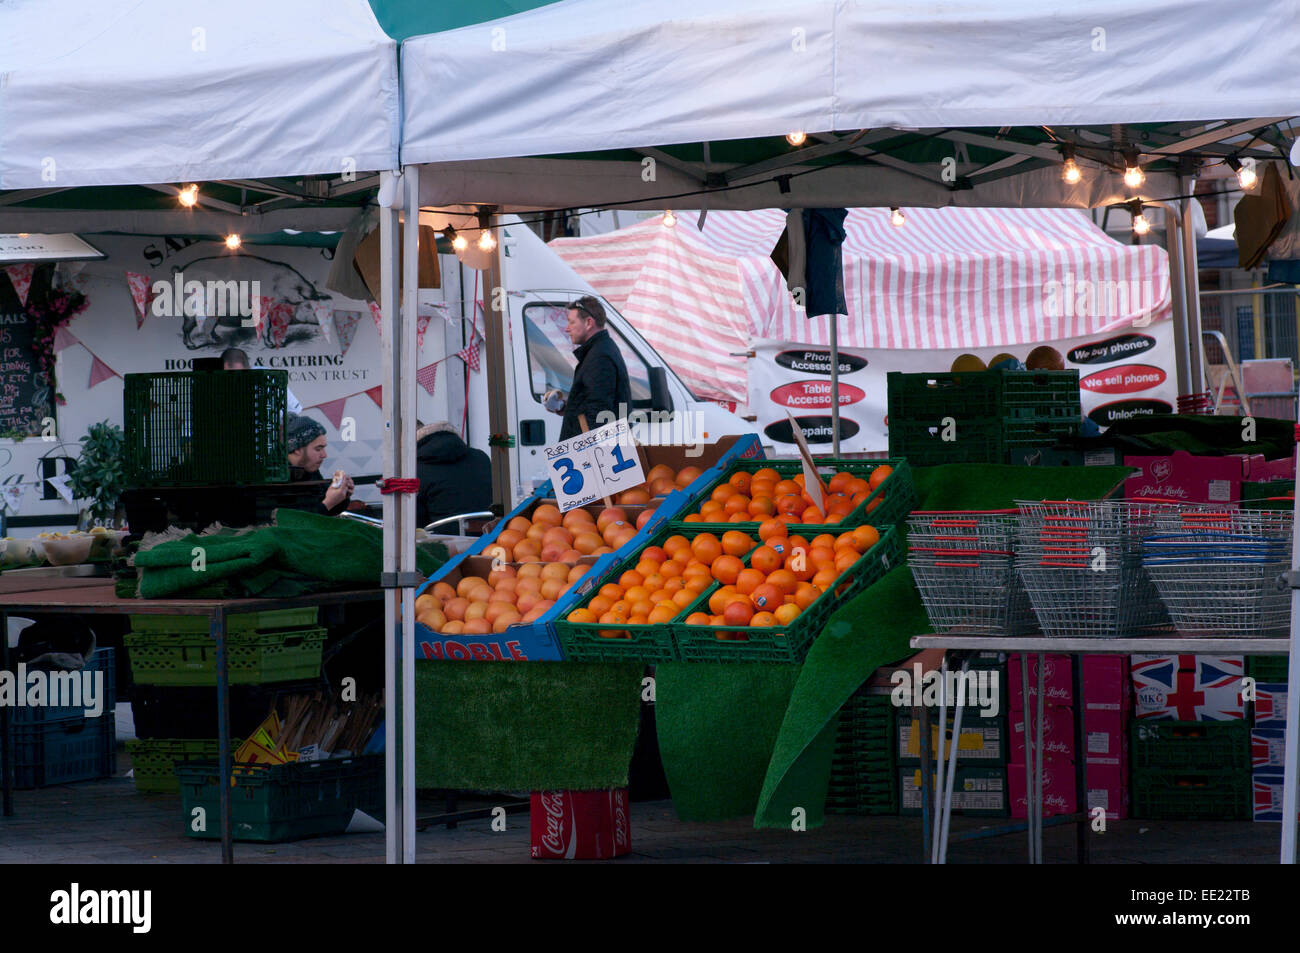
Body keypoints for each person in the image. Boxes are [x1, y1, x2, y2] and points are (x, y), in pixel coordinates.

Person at [556, 296, 632, 441]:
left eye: (572, 322)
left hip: (591, 455)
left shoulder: (600, 357)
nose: (567, 328)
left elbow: (598, 415)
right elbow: (592, 404)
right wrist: (569, 407)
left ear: (589, 323)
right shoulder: (600, 351)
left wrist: (586, 459)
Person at [414, 422, 493, 528]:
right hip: (490, 535)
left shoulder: (416, 470)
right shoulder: (481, 457)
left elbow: (415, 522)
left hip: (443, 540)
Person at [286, 413, 352, 515]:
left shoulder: (310, 470)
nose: (324, 455)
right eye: (318, 449)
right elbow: (293, 524)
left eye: (324, 448)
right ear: (297, 449)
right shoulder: (274, 477)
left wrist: (342, 496)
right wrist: (328, 503)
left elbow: (328, 511)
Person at [222, 346, 303, 414]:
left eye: (237, 374)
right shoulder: (217, 384)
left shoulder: (268, 377)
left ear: (247, 368)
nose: (233, 379)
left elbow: (295, 409)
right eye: (226, 375)